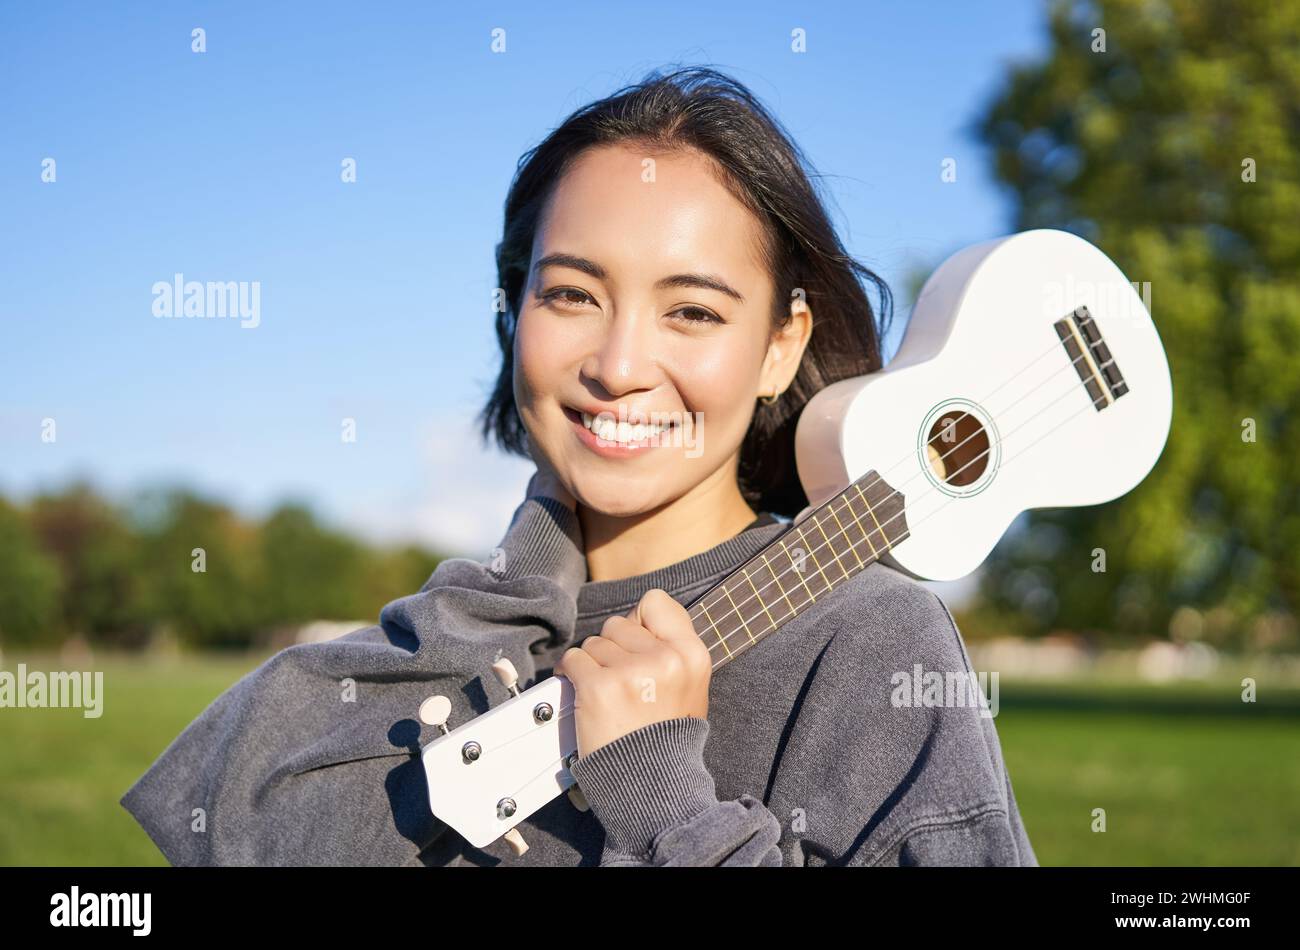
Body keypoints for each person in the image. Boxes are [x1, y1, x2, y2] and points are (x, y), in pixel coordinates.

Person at [121, 66, 1037, 867]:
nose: (619, 365)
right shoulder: (427, 656)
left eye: (693, 312)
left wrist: (667, 803)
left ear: (779, 348)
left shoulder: (874, 643)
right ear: (513, 312)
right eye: (571, 294)